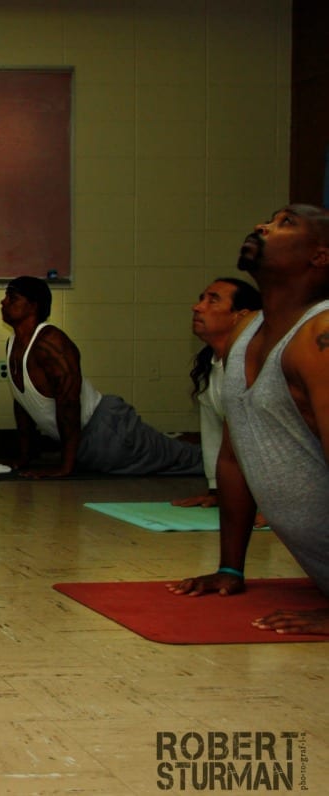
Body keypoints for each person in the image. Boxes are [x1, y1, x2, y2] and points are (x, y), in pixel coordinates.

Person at [169, 204, 329, 634]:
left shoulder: (320, 334)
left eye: (285, 223)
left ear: (320, 257)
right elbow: (236, 458)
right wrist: (231, 569)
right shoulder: (245, 336)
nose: (262, 225)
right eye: (269, 219)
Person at [1, 275, 202, 478]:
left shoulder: (51, 342)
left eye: (12, 298)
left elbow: (69, 402)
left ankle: (224, 456)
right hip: (90, 441)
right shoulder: (13, 345)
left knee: (189, 459)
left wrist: (65, 467)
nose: (4, 302)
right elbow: (23, 403)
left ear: (33, 306)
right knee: (175, 454)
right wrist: (24, 458)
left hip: (110, 431)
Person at [170, 278, 261, 507]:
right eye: (202, 299)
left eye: (213, 301)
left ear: (241, 316)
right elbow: (214, 436)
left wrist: (278, 507)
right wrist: (217, 491)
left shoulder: (259, 366)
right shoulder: (211, 367)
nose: (197, 307)